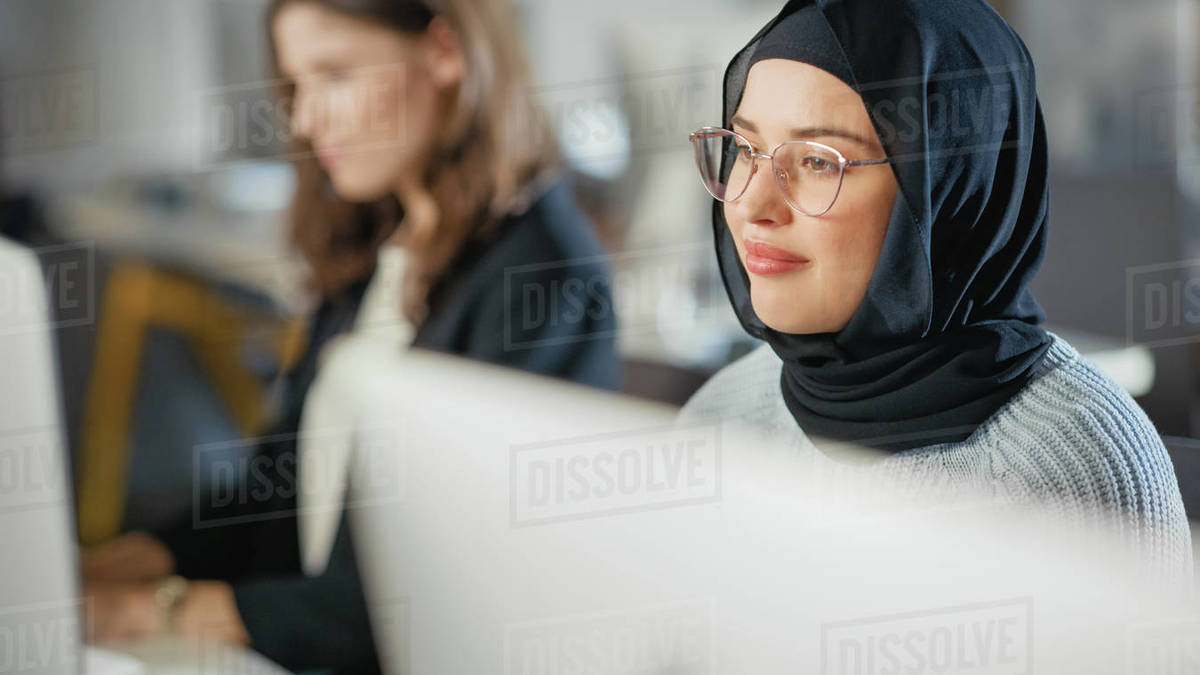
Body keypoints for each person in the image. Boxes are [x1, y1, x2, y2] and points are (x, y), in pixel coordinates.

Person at [81, 0, 620, 671]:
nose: (305, 118)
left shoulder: (545, 274)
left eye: (335, 75)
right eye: (297, 85)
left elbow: (443, 584)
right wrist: (126, 562)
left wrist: (158, 608)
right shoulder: (380, 240)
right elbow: (277, 489)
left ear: (446, 53)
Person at [679, 0, 1191, 578]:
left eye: (819, 162)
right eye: (744, 149)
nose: (751, 204)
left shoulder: (1076, 466)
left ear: (952, 191)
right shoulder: (724, 415)